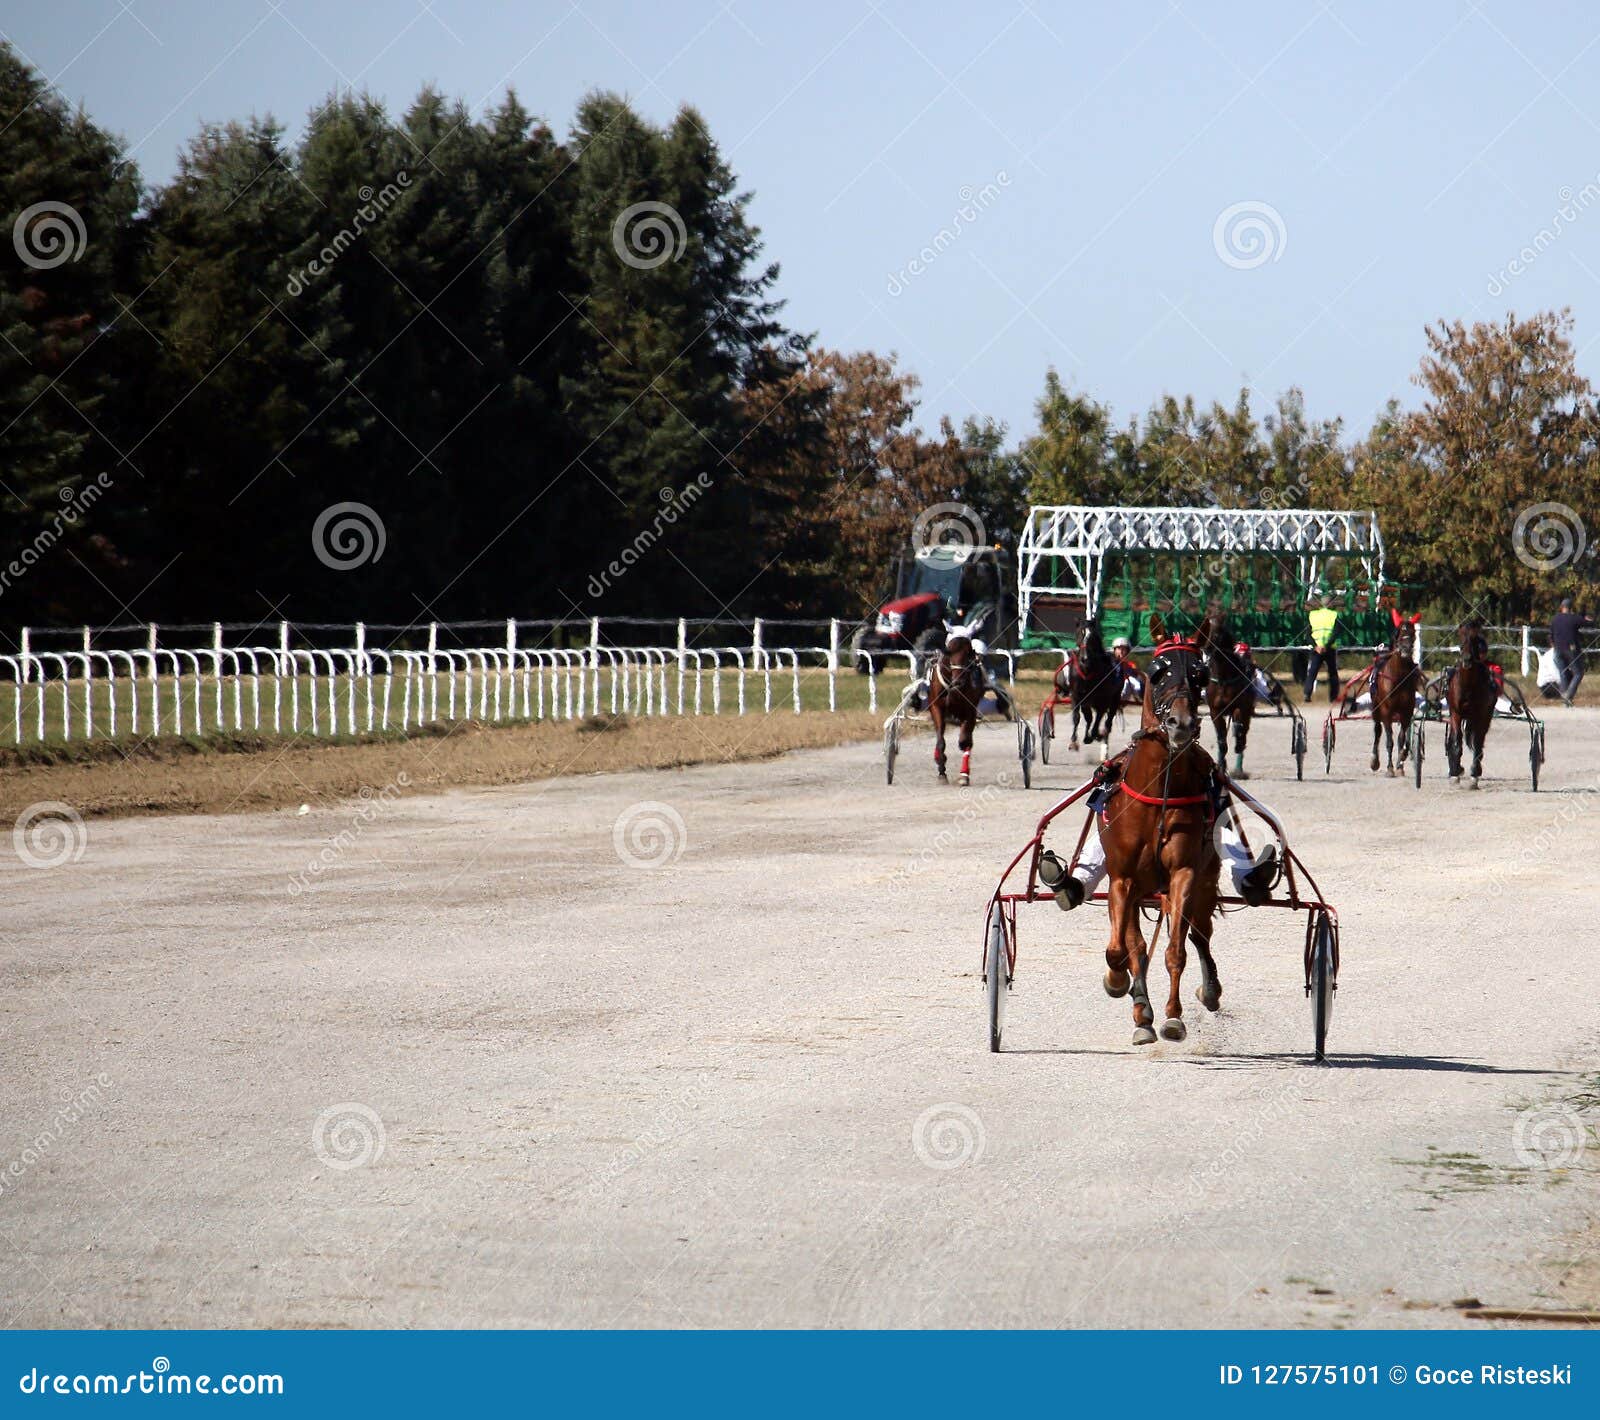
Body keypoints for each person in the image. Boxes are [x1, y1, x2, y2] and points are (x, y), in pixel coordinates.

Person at [1036, 763, 1278, 908]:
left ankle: (1249, 882)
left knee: (1220, 829)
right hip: (1148, 819)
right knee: (1112, 832)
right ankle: (1075, 886)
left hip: (1188, 819)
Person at [1550, 598, 1594, 705]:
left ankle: (1565, 698)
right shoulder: (1574, 618)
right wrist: (1590, 619)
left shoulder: (1555, 619)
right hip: (1571, 649)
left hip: (1557, 649)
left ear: (1562, 607)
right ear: (1571, 608)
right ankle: (1568, 694)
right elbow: (1588, 623)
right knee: (1578, 672)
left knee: (1563, 673)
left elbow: (1550, 634)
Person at [1302, 594, 1341, 702]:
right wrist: (1326, 645)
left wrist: (1316, 646)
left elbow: (1308, 634)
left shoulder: (1312, 615)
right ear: (1330, 604)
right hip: (1329, 649)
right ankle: (1333, 697)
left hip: (1317, 649)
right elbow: (1336, 632)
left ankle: (1307, 694)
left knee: (1312, 673)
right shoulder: (1334, 615)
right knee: (1332, 673)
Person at [1110, 636, 1144, 703]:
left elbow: (1138, 676)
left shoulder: (1130, 665)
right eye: (1119, 649)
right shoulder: (1109, 664)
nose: (1121, 651)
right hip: (1112, 690)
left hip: (1126, 690)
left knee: (1130, 682)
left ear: (1127, 651)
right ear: (1114, 650)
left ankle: (1141, 697)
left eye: (1124, 649)